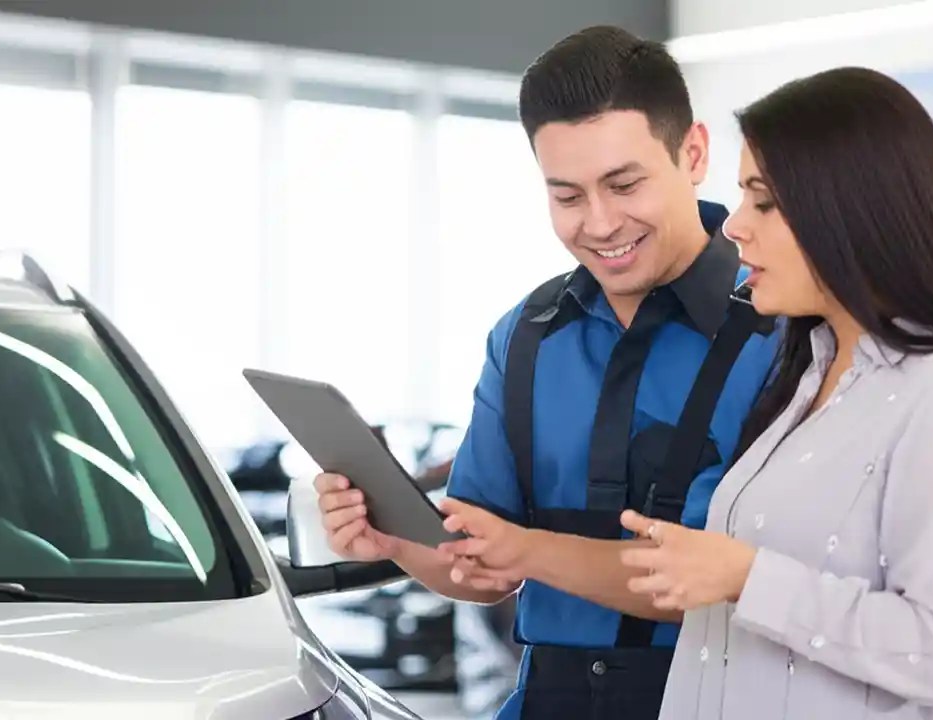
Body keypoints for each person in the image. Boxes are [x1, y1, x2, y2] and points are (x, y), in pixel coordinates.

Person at [313, 25, 782, 719]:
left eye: (624, 185)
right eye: (567, 197)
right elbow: (482, 570)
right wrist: (393, 539)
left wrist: (528, 551)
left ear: (693, 153)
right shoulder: (526, 337)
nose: (601, 223)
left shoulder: (781, 329)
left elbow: (755, 582)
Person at [615, 66, 933, 719]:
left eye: (763, 201)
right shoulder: (809, 374)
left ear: (853, 210)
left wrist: (746, 577)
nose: (734, 226)